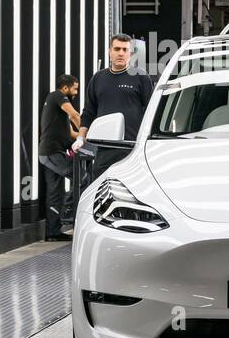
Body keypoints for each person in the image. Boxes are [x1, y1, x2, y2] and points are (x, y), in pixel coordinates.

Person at [80, 34, 154, 180]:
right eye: (117, 49)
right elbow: (88, 111)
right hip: (103, 148)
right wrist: (81, 138)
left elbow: (151, 112)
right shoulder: (98, 78)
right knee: (100, 188)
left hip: (131, 147)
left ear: (130, 53)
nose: (121, 53)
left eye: (125, 50)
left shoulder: (141, 77)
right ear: (110, 51)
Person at [38, 74, 84, 242]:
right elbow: (75, 116)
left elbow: (70, 133)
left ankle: (53, 232)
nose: (76, 92)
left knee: (54, 193)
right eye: (75, 88)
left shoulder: (57, 107)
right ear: (65, 88)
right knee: (82, 177)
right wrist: (84, 130)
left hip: (50, 153)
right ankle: (68, 213)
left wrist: (85, 136)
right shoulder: (58, 96)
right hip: (52, 153)